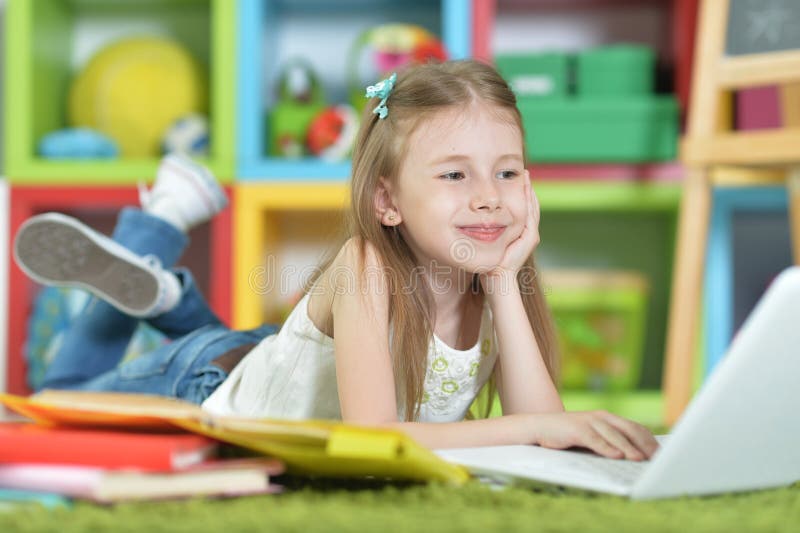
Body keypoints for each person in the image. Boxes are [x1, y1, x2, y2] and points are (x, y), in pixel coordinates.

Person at [14, 60, 658, 460]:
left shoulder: (492, 278)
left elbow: (535, 422)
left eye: (508, 171)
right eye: (456, 174)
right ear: (387, 201)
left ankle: (166, 300)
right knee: (51, 404)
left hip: (276, 362)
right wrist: (541, 428)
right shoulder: (364, 266)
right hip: (210, 385)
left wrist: (504, 283)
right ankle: (159, 227)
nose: (490, 198)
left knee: (261, 350)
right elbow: (376, 436)